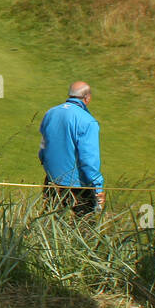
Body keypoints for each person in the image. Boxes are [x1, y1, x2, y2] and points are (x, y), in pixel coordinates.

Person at [39, 81, 104, 217]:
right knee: (84, 227)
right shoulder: (88, 121)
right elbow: (88, 160)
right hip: (78, 185)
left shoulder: (50, 113)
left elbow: (43, 147)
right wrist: (98, 188)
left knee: (49, 223)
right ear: (87, 97)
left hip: (51, 181)